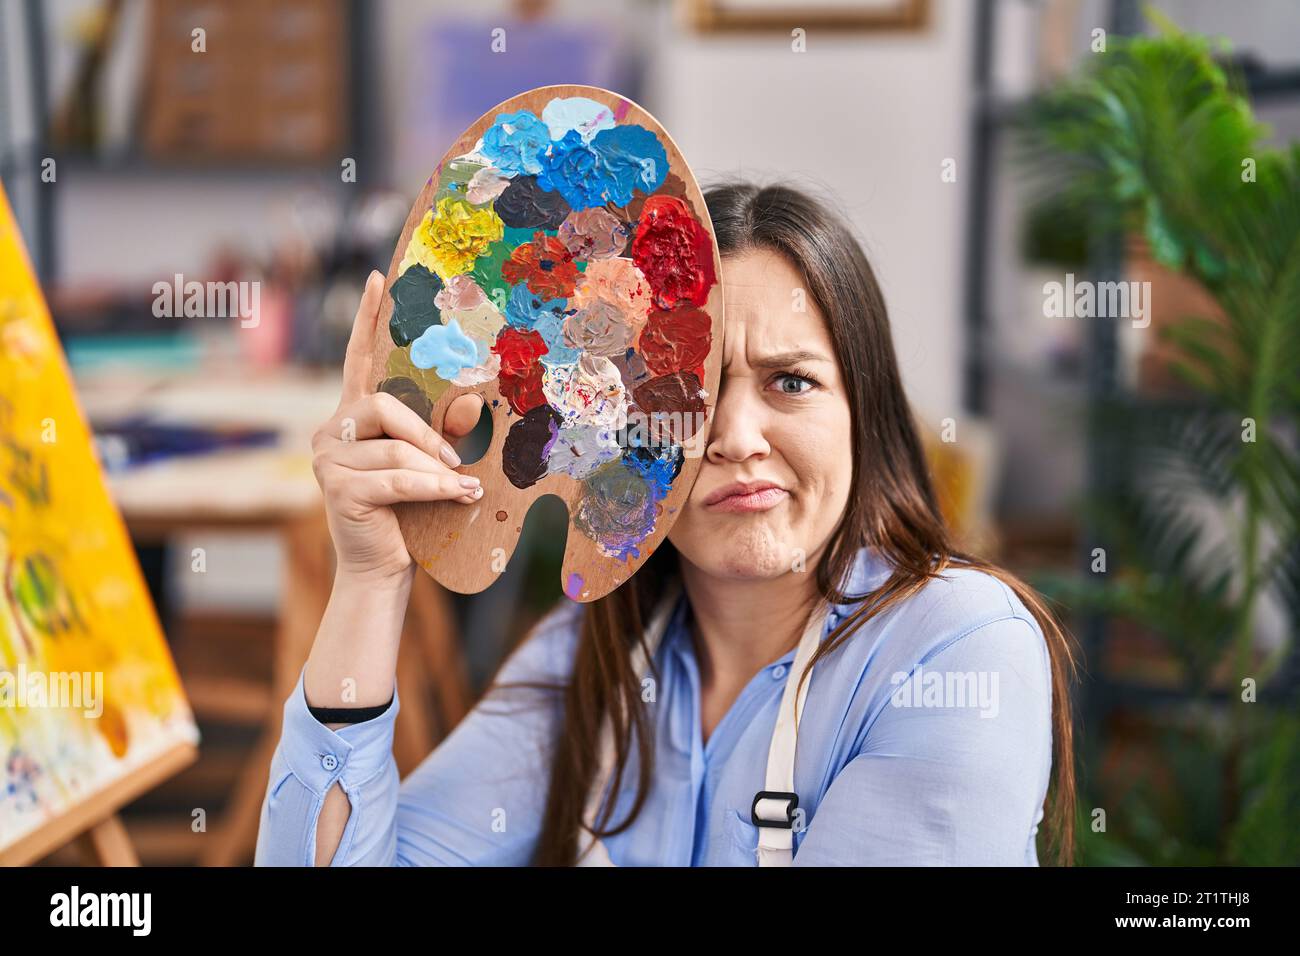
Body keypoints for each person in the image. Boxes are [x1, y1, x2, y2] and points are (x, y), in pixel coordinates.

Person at [254, 180, 1078, 867]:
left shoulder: (959, 646)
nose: (734, 438)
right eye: (684, 391)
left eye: (791, 382)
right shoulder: (588, 658)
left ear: (863, 409)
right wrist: (369, 580)